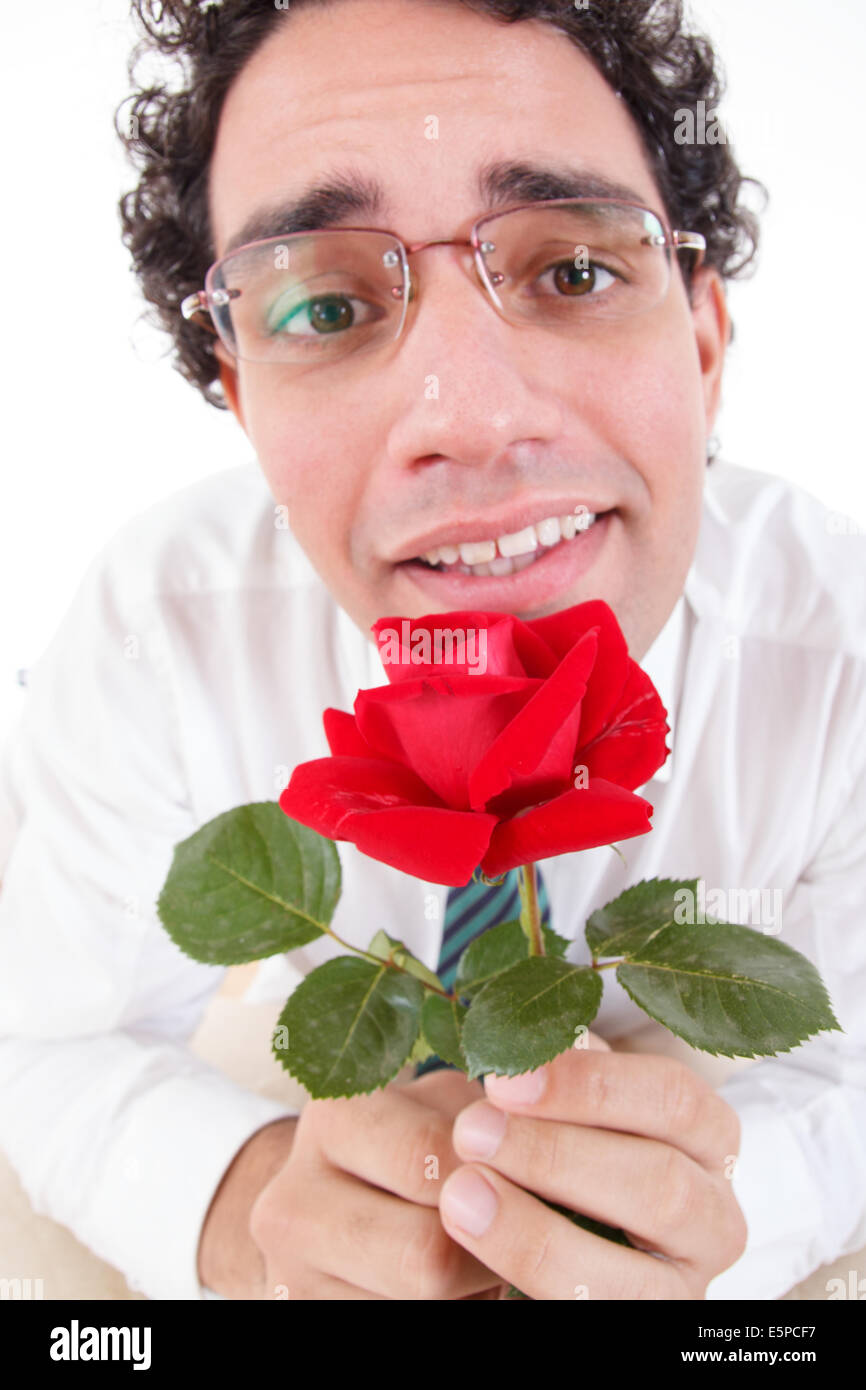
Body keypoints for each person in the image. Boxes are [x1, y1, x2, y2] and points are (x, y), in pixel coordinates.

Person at [0, 0, 863, 1302]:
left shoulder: (836, 652)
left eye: (574, 269)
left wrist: (722, 1207)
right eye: (328, 306)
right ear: (240, 395)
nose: (469, 417)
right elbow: (44, 1035)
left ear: (700, 339)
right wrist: (239, 1206)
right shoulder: (155, 630)